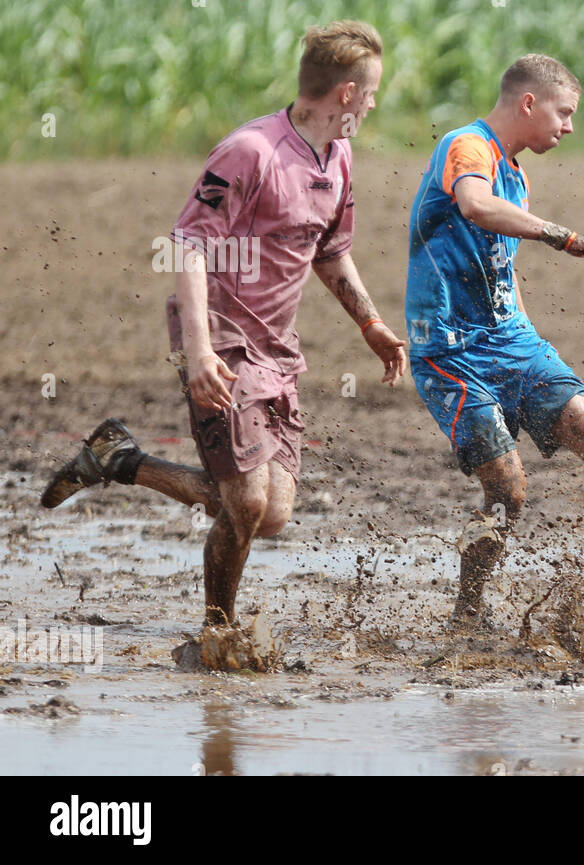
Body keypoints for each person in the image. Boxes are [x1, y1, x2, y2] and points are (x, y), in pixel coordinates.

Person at [40, 20, 408, 630]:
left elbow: (331, 249)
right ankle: (218, 631)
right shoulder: (251, 151)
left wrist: (369, 322)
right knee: (247, 501)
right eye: (370, 92)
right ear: (346, 92)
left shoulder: (339, 157)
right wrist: (200, 349)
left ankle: (120, 460)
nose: (373, 103)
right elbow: (188, 244)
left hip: (277, 350)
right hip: (220, 339)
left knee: (270, 515)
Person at [405, 54, 584, 622]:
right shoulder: (467, 146)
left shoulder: (517, 174)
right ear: (529, 102)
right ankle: (468, 612)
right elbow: (475, 206)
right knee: (508, 493)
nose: (569, 127)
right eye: (564, 112)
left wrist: (526, 333)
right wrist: (561, 235)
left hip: (514, 343)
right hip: (450, 350)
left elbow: (503, 263)